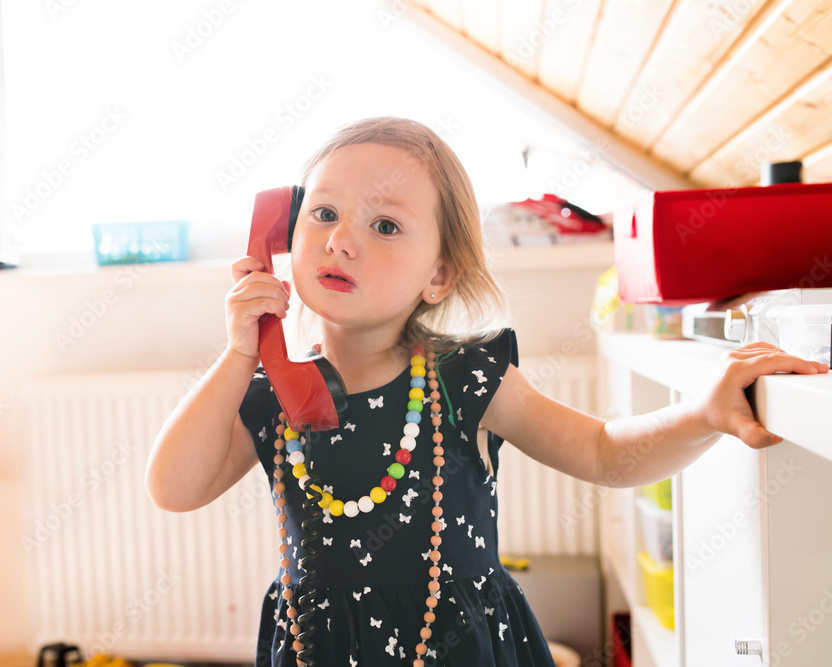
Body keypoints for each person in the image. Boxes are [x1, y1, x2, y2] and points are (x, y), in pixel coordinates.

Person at [145, 117, 828, 666]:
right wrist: (242, 350)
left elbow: (599, 449)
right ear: (281, 233)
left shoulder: (466, 376)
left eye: (384, 225)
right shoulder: (270, 389)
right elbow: (174, 486)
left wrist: (702, 412)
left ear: (437, 275)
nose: (342, 240)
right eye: (323, 213)